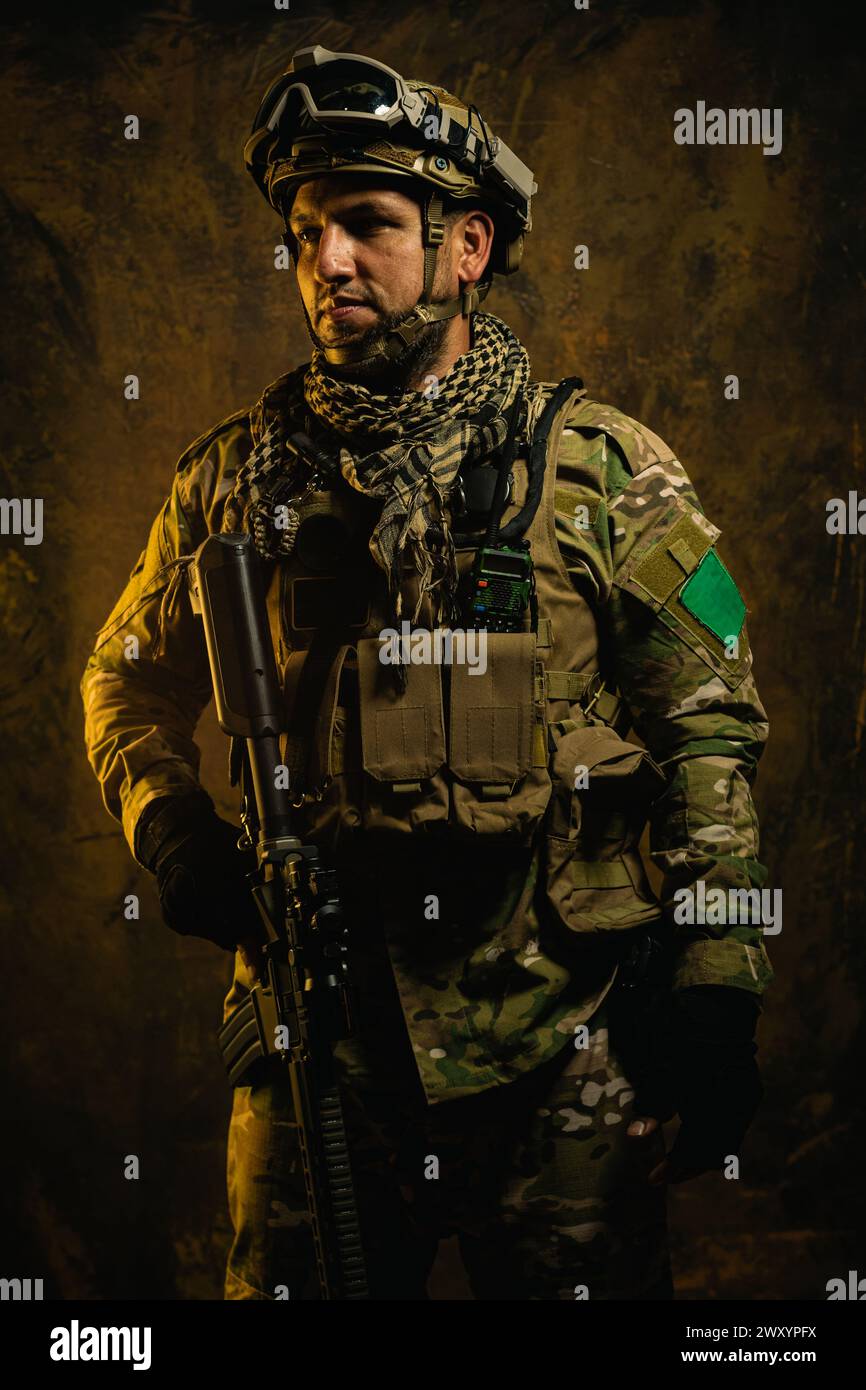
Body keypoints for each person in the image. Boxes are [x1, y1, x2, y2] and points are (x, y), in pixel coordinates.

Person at [80, 45, 773, 1301]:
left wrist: (717, 993)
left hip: (562, 1052)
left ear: (467, 247)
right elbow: (125, 680)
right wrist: (169, 822)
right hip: (321, 1059)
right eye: (304, 232)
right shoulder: (233, 481)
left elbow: (708, 730)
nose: (327, 261)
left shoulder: (599, 468)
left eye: (366, 224)